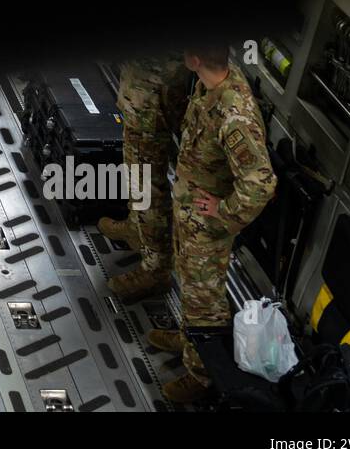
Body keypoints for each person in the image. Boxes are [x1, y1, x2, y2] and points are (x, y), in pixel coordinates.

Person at [150, 44, 277, 406]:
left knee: (205, 302)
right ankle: (189, 341)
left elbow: (261, 183)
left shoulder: (233, 113)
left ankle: (202, 374)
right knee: (191, 290)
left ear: (193, 59)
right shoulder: (210, 86)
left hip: (207, 227)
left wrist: (225, 212)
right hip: (191, 215)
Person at [99, 57, 190, 300]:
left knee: (145, 181)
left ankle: (156, 269)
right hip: (141, 91)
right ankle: (136, 228)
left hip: (152, 93)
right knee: (136, 169)